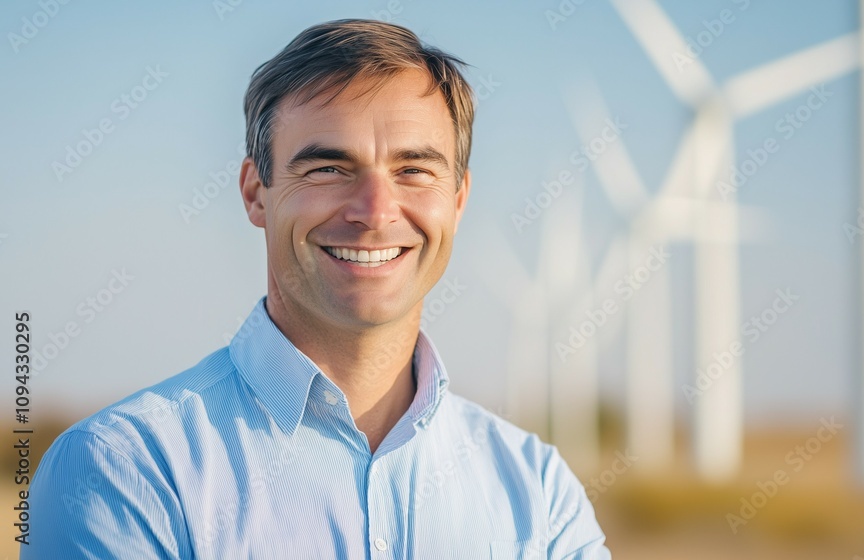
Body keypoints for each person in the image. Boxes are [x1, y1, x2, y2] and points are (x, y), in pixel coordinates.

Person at [23, 19, 611, 559]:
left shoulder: (538, 491)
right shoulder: (127, 469)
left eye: (414, 170)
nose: (375, 212)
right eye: (328, 168)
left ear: (457, 201)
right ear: (256, 193)